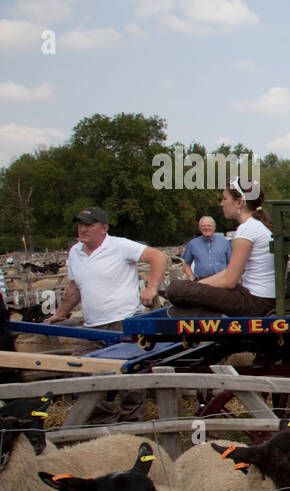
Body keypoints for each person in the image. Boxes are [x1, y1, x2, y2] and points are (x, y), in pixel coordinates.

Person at [45, 206, 166, 424]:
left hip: (124, 321)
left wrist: (152, 287)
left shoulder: (119, 246)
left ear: (104, 228)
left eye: (89, 225)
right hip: (92, 326)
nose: (83, 229)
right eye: (80, 224)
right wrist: (61, 313)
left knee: (131, 372)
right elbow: (75, 287)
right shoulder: (75, 252)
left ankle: (132, 423)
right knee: (77, 368)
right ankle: (105, 421)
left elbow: (157, 257)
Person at [164, 179, 277, 317]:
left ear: (239, 202)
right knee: (186, 289)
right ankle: (199, 312)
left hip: (254, 302)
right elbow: (230, 273)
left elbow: (229, 280)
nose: (221, 203)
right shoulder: (259, 225)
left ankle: (200, 314)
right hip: (262, 299)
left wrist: (194, 287)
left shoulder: (247, 229)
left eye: (224, 199)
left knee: (176, 289)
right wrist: (197, 285)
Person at [179, 216, 232, 281]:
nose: (206, 228)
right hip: (201, 282)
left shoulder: (225, 242)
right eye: (203, 226)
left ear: (214, 227)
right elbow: (186, 264)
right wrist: (192, 278)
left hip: (221, 281)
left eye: (209, 225)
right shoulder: (192, 244)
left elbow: (232, 263)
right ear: (200, 228)